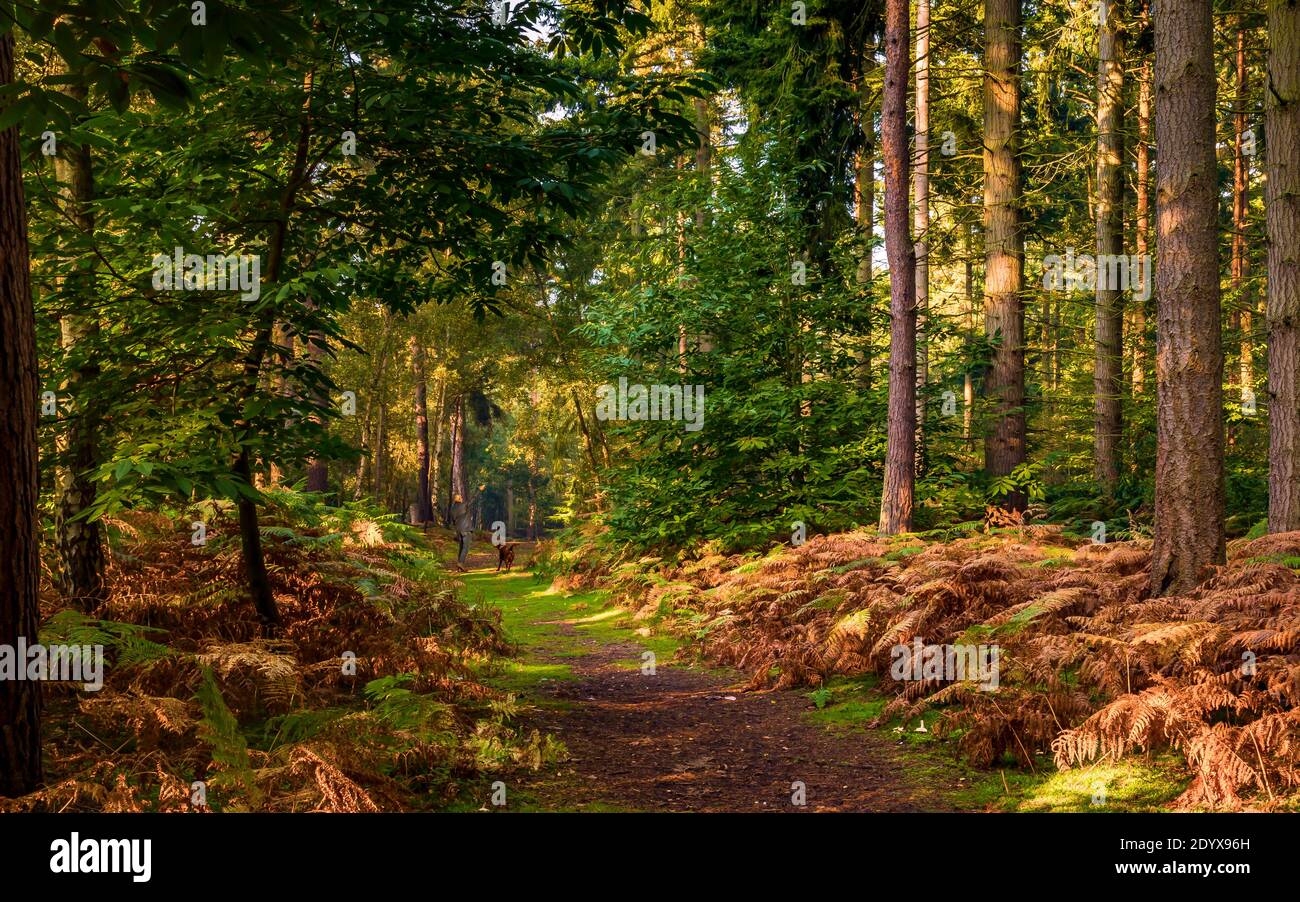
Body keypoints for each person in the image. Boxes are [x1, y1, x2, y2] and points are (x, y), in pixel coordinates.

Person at [451, 492, 472, 567]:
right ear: (459, 499)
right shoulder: (463, 505)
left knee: (461, 547)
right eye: (461, 497)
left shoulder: (452, 509)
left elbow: (453, 521)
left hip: (458, 530)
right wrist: (479, 490)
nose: (462, 498)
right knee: (465, 548)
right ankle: (461, 563)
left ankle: (459, 562)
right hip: (465, 529)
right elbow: (472, 499)